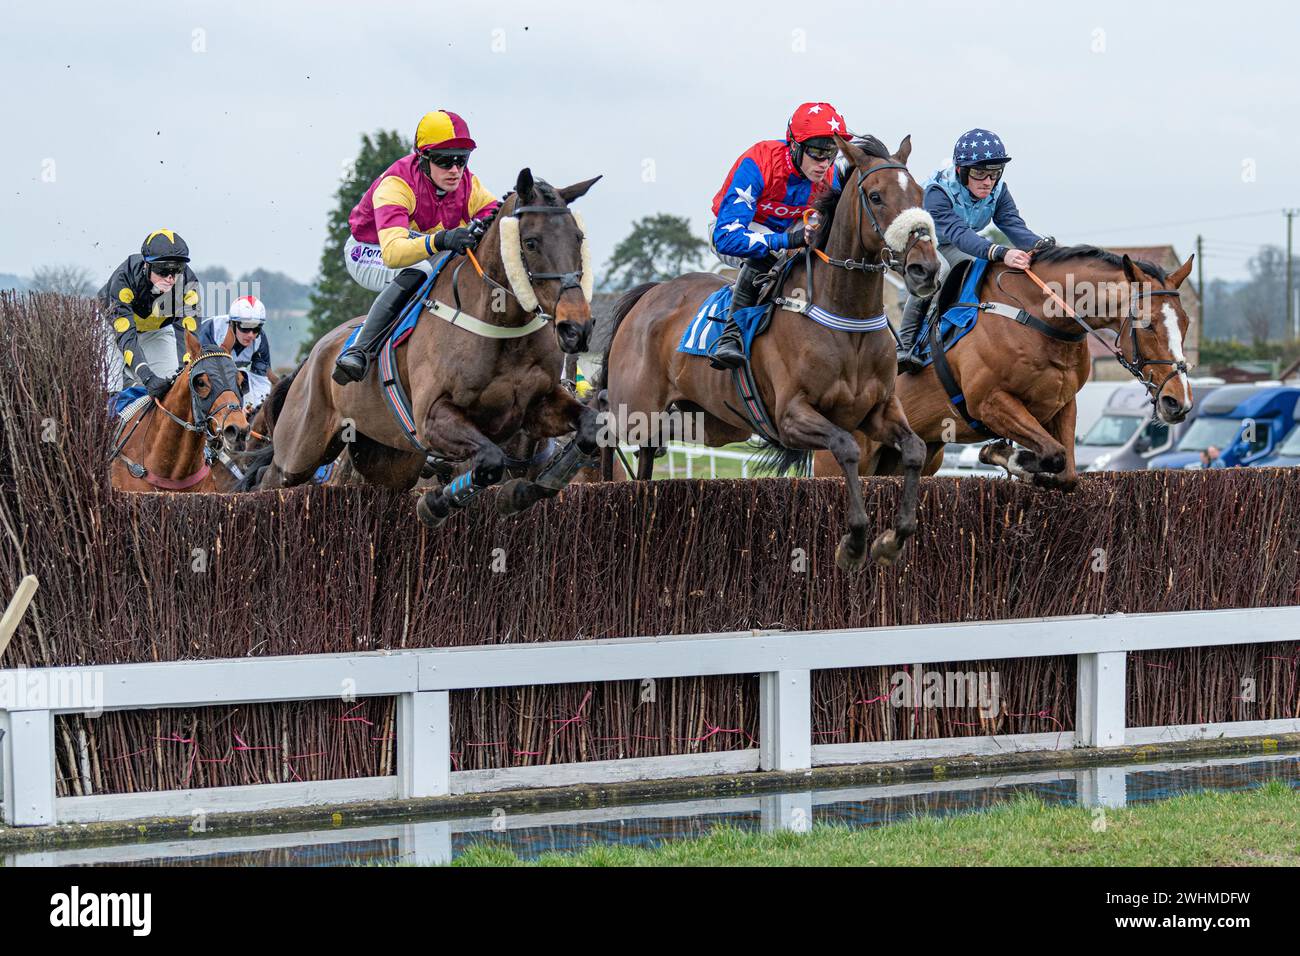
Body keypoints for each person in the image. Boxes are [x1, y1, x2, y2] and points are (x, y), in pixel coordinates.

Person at [333, 110, 502, 384]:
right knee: (422, 267)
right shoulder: (397, 184)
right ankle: (360, 350)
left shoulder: (468, 184)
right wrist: (442, 239)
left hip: (417, 246)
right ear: (423, 160)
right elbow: (394, 253)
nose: (455, 170)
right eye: (445, 161)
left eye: (462, 159)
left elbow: (496, 220)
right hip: (369, 250)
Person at [896, 129, 1051, 373]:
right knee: (942, 269)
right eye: (980, 173)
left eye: (994, 174)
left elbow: (1012, 224)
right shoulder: (937, 191)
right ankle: (905, 345)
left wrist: (1042, 248)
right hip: (920, 242)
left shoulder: (999, 190)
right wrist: (1001, 251)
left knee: (979, 267)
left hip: (951, 241)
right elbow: (960, 234)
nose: (988, 181)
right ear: (961, 170)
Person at [706, 102, 845, 370]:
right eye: (817, 152)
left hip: (786, 230)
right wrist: (786, 242)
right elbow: (727, 237)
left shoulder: (828, 177)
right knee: (767, 252)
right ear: (794, 145)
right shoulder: (759, 161)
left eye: (831, 153)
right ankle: (731, 337)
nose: (824, 163)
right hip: (735, 230)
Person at [100, 229, 202, 400]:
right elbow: (126, 335)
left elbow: (189, 335)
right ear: (146, 266)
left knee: (172, 388)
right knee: (113, 385)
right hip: (111, 329)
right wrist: (146, 376)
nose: (170, 278)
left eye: (177, 269)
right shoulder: (124, 280)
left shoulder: (189, 286)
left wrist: (186, 366)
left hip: (157, 330)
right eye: (163, 270)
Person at [200, 294, 275, 410]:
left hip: (233, 376)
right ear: (233, 323)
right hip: (206, 378)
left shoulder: (260, 339)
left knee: (244, 376)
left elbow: (260, 379)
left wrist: (257, 409)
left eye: (256, 328)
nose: (250, 334)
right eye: (245, 327)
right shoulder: (211, 330)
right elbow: (206, 376)